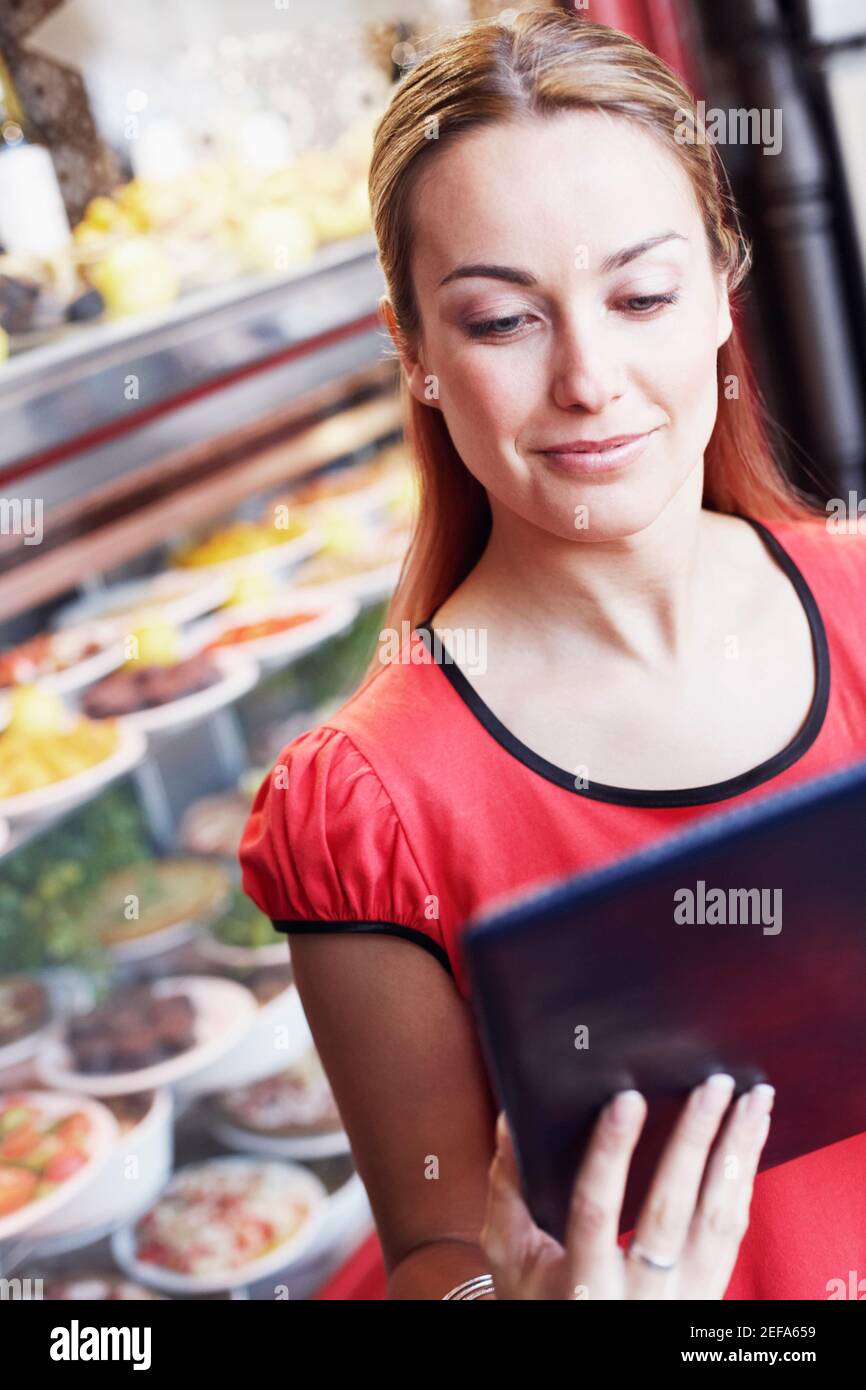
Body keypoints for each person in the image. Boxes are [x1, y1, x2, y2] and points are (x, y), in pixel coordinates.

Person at [239, 9, 866, 1299]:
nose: (590, 377)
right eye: (500, 322)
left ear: (718, 293)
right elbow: (432, 1253)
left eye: (641, 295)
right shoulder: (368, 805)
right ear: (412, 350)